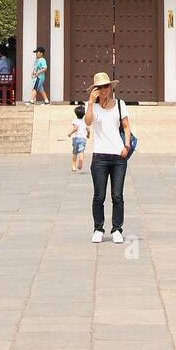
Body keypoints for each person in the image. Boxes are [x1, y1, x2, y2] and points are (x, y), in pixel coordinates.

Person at [84, 71, 131, 243]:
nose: (103, 90)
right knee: (99, 195)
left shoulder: (120, 104)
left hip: (118, 155)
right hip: (100, 156)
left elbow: (126, 127)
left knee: (117, 195)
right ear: (95, 89)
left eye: (106, 86)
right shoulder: (93, 106)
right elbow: (88, 122)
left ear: (111, 87)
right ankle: (98, 228)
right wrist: (90, 102)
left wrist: (127, 145)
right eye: (100, 87)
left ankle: (117, 229)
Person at [68, 104, 89, 172]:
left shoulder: (75, 121)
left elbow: (76, 128)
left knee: (75, 153)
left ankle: (74, 166)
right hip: (83, 139)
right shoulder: (85, 122)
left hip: (76, 138)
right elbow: (88, 130)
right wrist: (88, 135)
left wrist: (70, 133)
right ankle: (81, 160)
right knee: (81, 151)